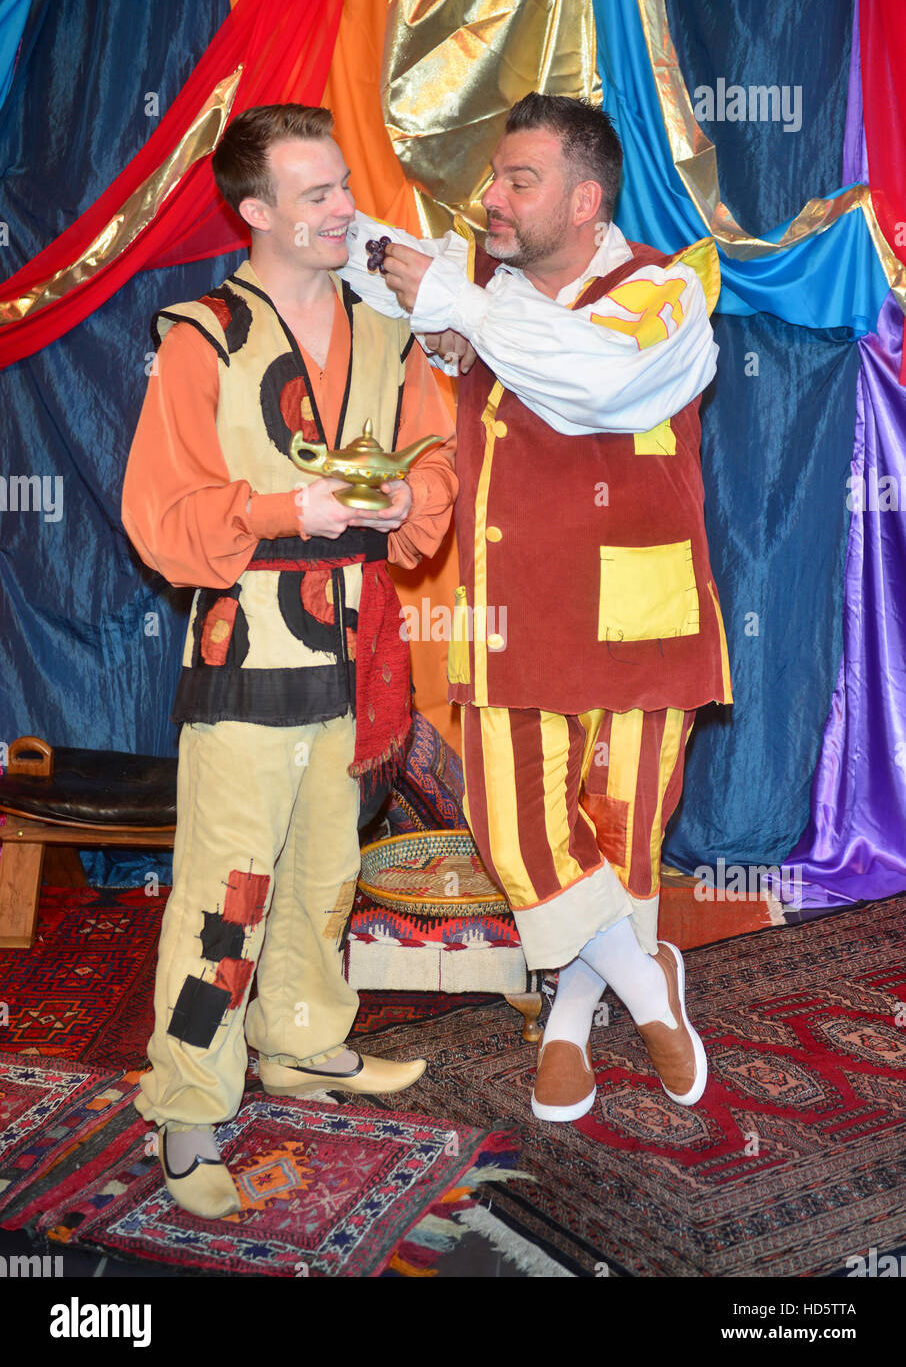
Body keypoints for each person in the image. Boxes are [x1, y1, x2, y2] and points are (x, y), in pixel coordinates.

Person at [340, 92, 732, 1122]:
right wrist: (332, 225)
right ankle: (651, 991)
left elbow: (595, 381)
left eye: (521, 180)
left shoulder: (669, 288)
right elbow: (370, 267)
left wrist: (457, 303)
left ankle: (567, 1018)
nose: (495, 198)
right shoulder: (481, 289)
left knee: (623, 835)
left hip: (645, 626)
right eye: (495, 177)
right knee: (518, 841)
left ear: (589, 198)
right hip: (511, 620)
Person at [121, 104, 457, 1217]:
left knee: (326, 873)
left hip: (361, 651)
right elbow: (160, 516)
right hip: (247, 653)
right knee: (229, 896)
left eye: (343, 186)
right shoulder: (200, 336)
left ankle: (305, 1038)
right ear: (255, 210)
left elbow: (441, 465)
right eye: (315, 194)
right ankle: (187, 1104)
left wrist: (415, 496)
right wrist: (286, 509)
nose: (342, 209)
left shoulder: (387, 333)